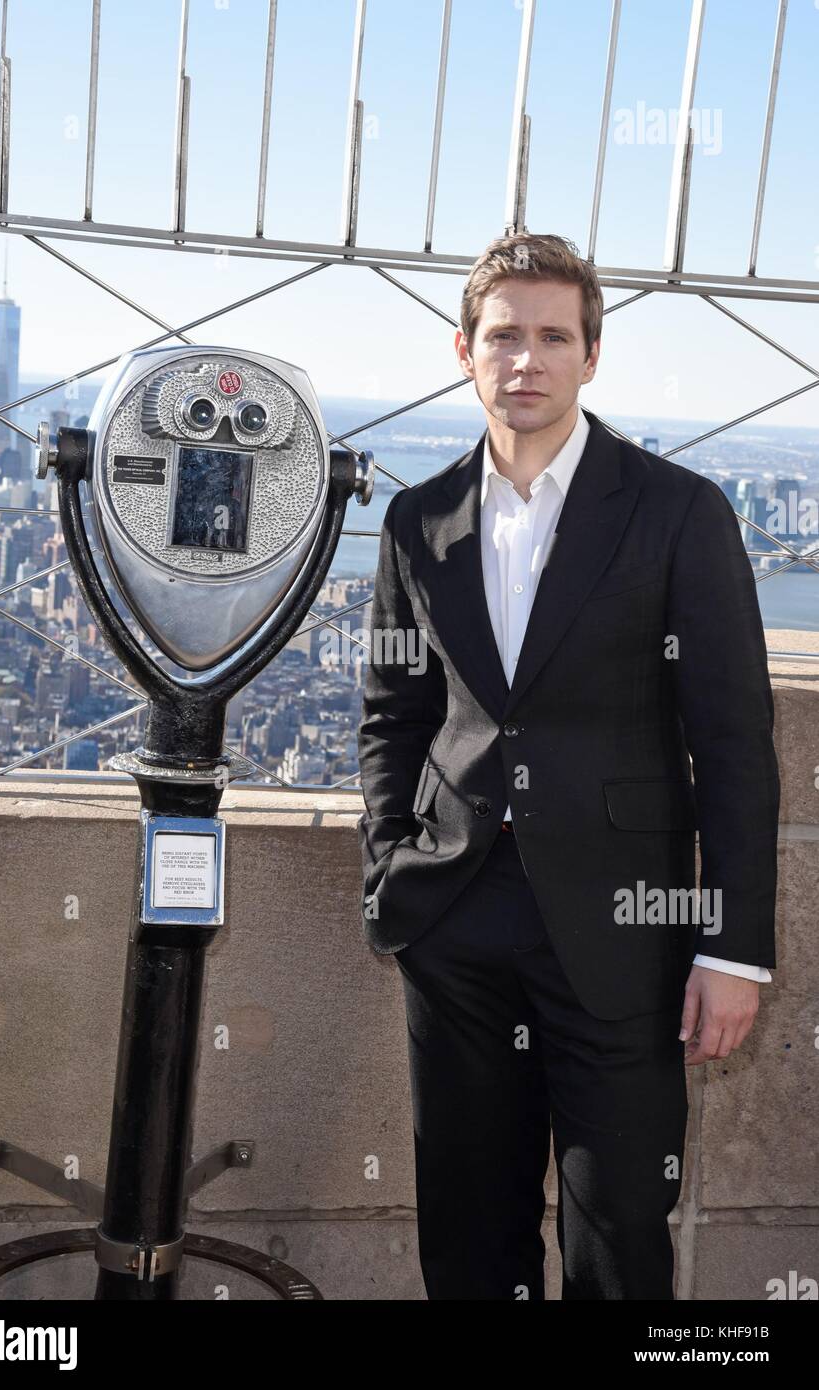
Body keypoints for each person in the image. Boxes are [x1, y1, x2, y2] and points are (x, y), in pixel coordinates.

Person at [356, 232, 780, 1300]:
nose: (525, 359)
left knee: (621, 1229)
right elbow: (390, 713)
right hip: (454, 915)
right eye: (502, 336)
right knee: (466, 1230)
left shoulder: (677, 511)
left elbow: (730, 743)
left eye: (553, 336)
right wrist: (388, 870)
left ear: (591, 355)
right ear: (463, 351)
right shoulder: (416, 520)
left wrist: (733, 949)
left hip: (621, 922)